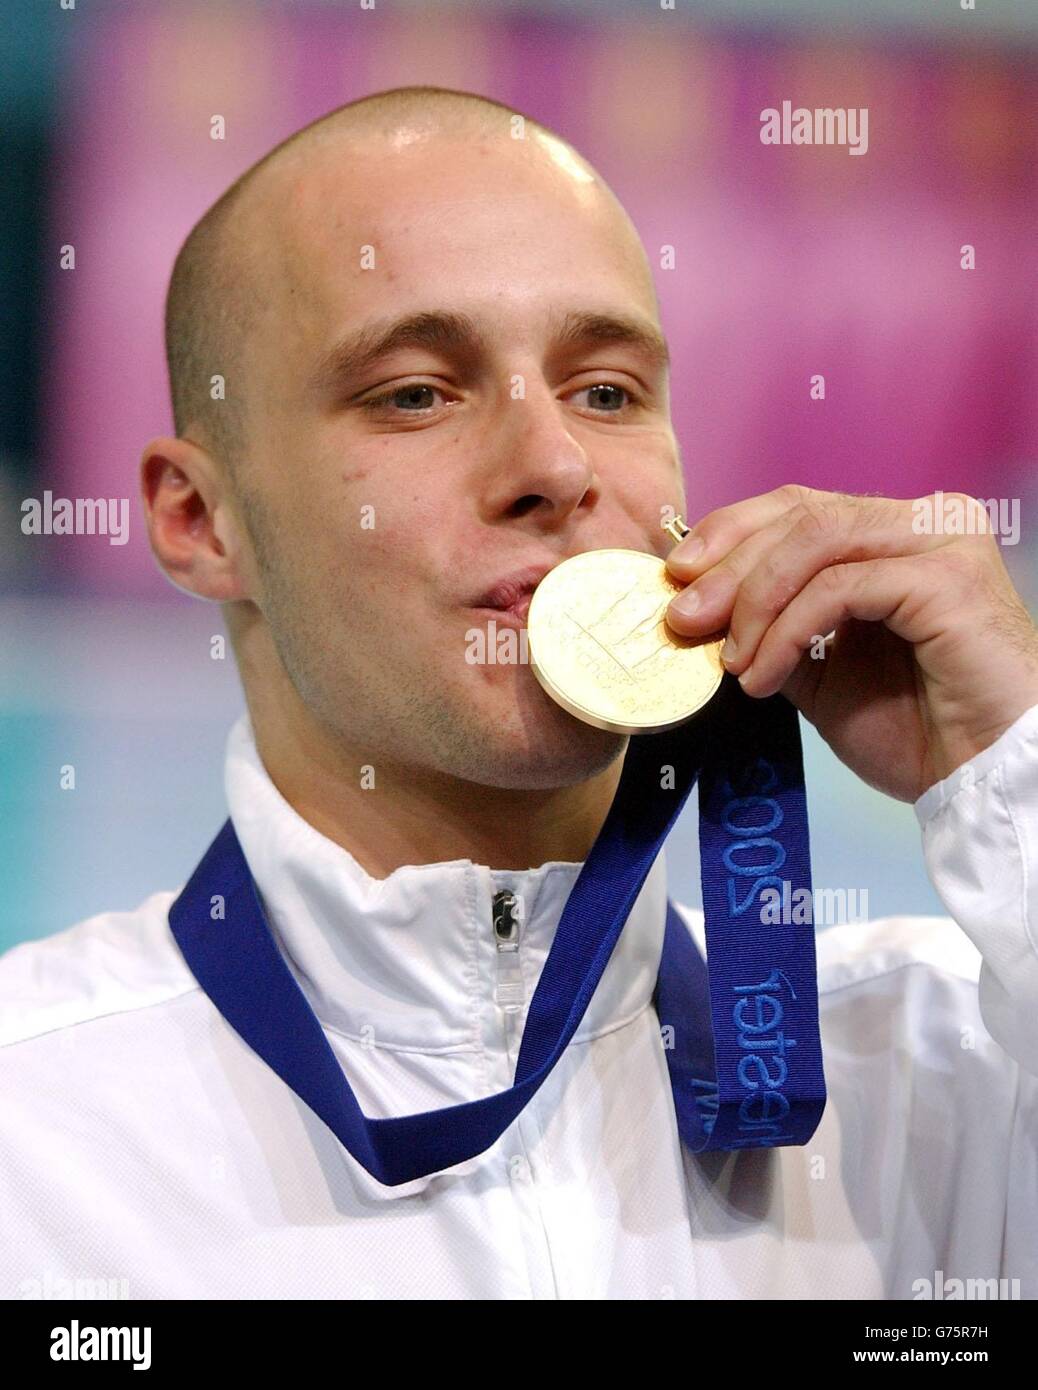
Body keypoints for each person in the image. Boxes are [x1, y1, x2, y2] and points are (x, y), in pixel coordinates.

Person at [2, 85, 1037, 1301]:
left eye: (605, 390)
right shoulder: (37, 1139)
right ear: (199, 517)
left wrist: (1011, 765)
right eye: (416, 393)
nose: (555, 465)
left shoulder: (950, 1071)